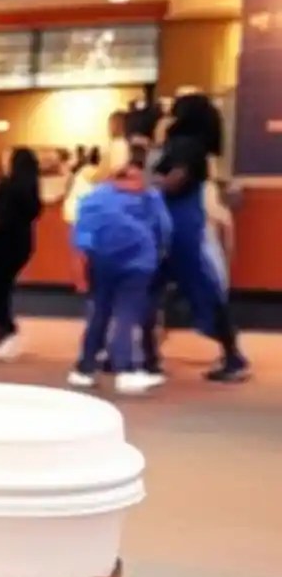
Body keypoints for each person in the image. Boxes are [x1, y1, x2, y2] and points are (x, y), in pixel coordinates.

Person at [141, 94, 249, 382]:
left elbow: (176, 178)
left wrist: (147, 186)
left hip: (179, 226)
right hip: (183, 224)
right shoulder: (194, 145)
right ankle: (149, 355)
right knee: (184, 289)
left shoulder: (185, 145)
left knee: (171, 288)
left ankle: (231, 356)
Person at [68, 146, 172, 395]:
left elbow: (82, 233)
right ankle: (126, 369)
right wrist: (159, 252)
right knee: (127, 316)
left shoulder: (96, 196)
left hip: (101, 262)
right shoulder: (149, 197)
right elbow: (164, 229)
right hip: (137, 264)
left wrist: (85, 258)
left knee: (99, 314)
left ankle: (84, 368)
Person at [0, 147, 42, 360]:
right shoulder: (30, 188)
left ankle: (8, 331)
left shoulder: (8, 187)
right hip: (22, 243)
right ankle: (2, 334)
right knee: (1, 288)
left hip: (3, 243)